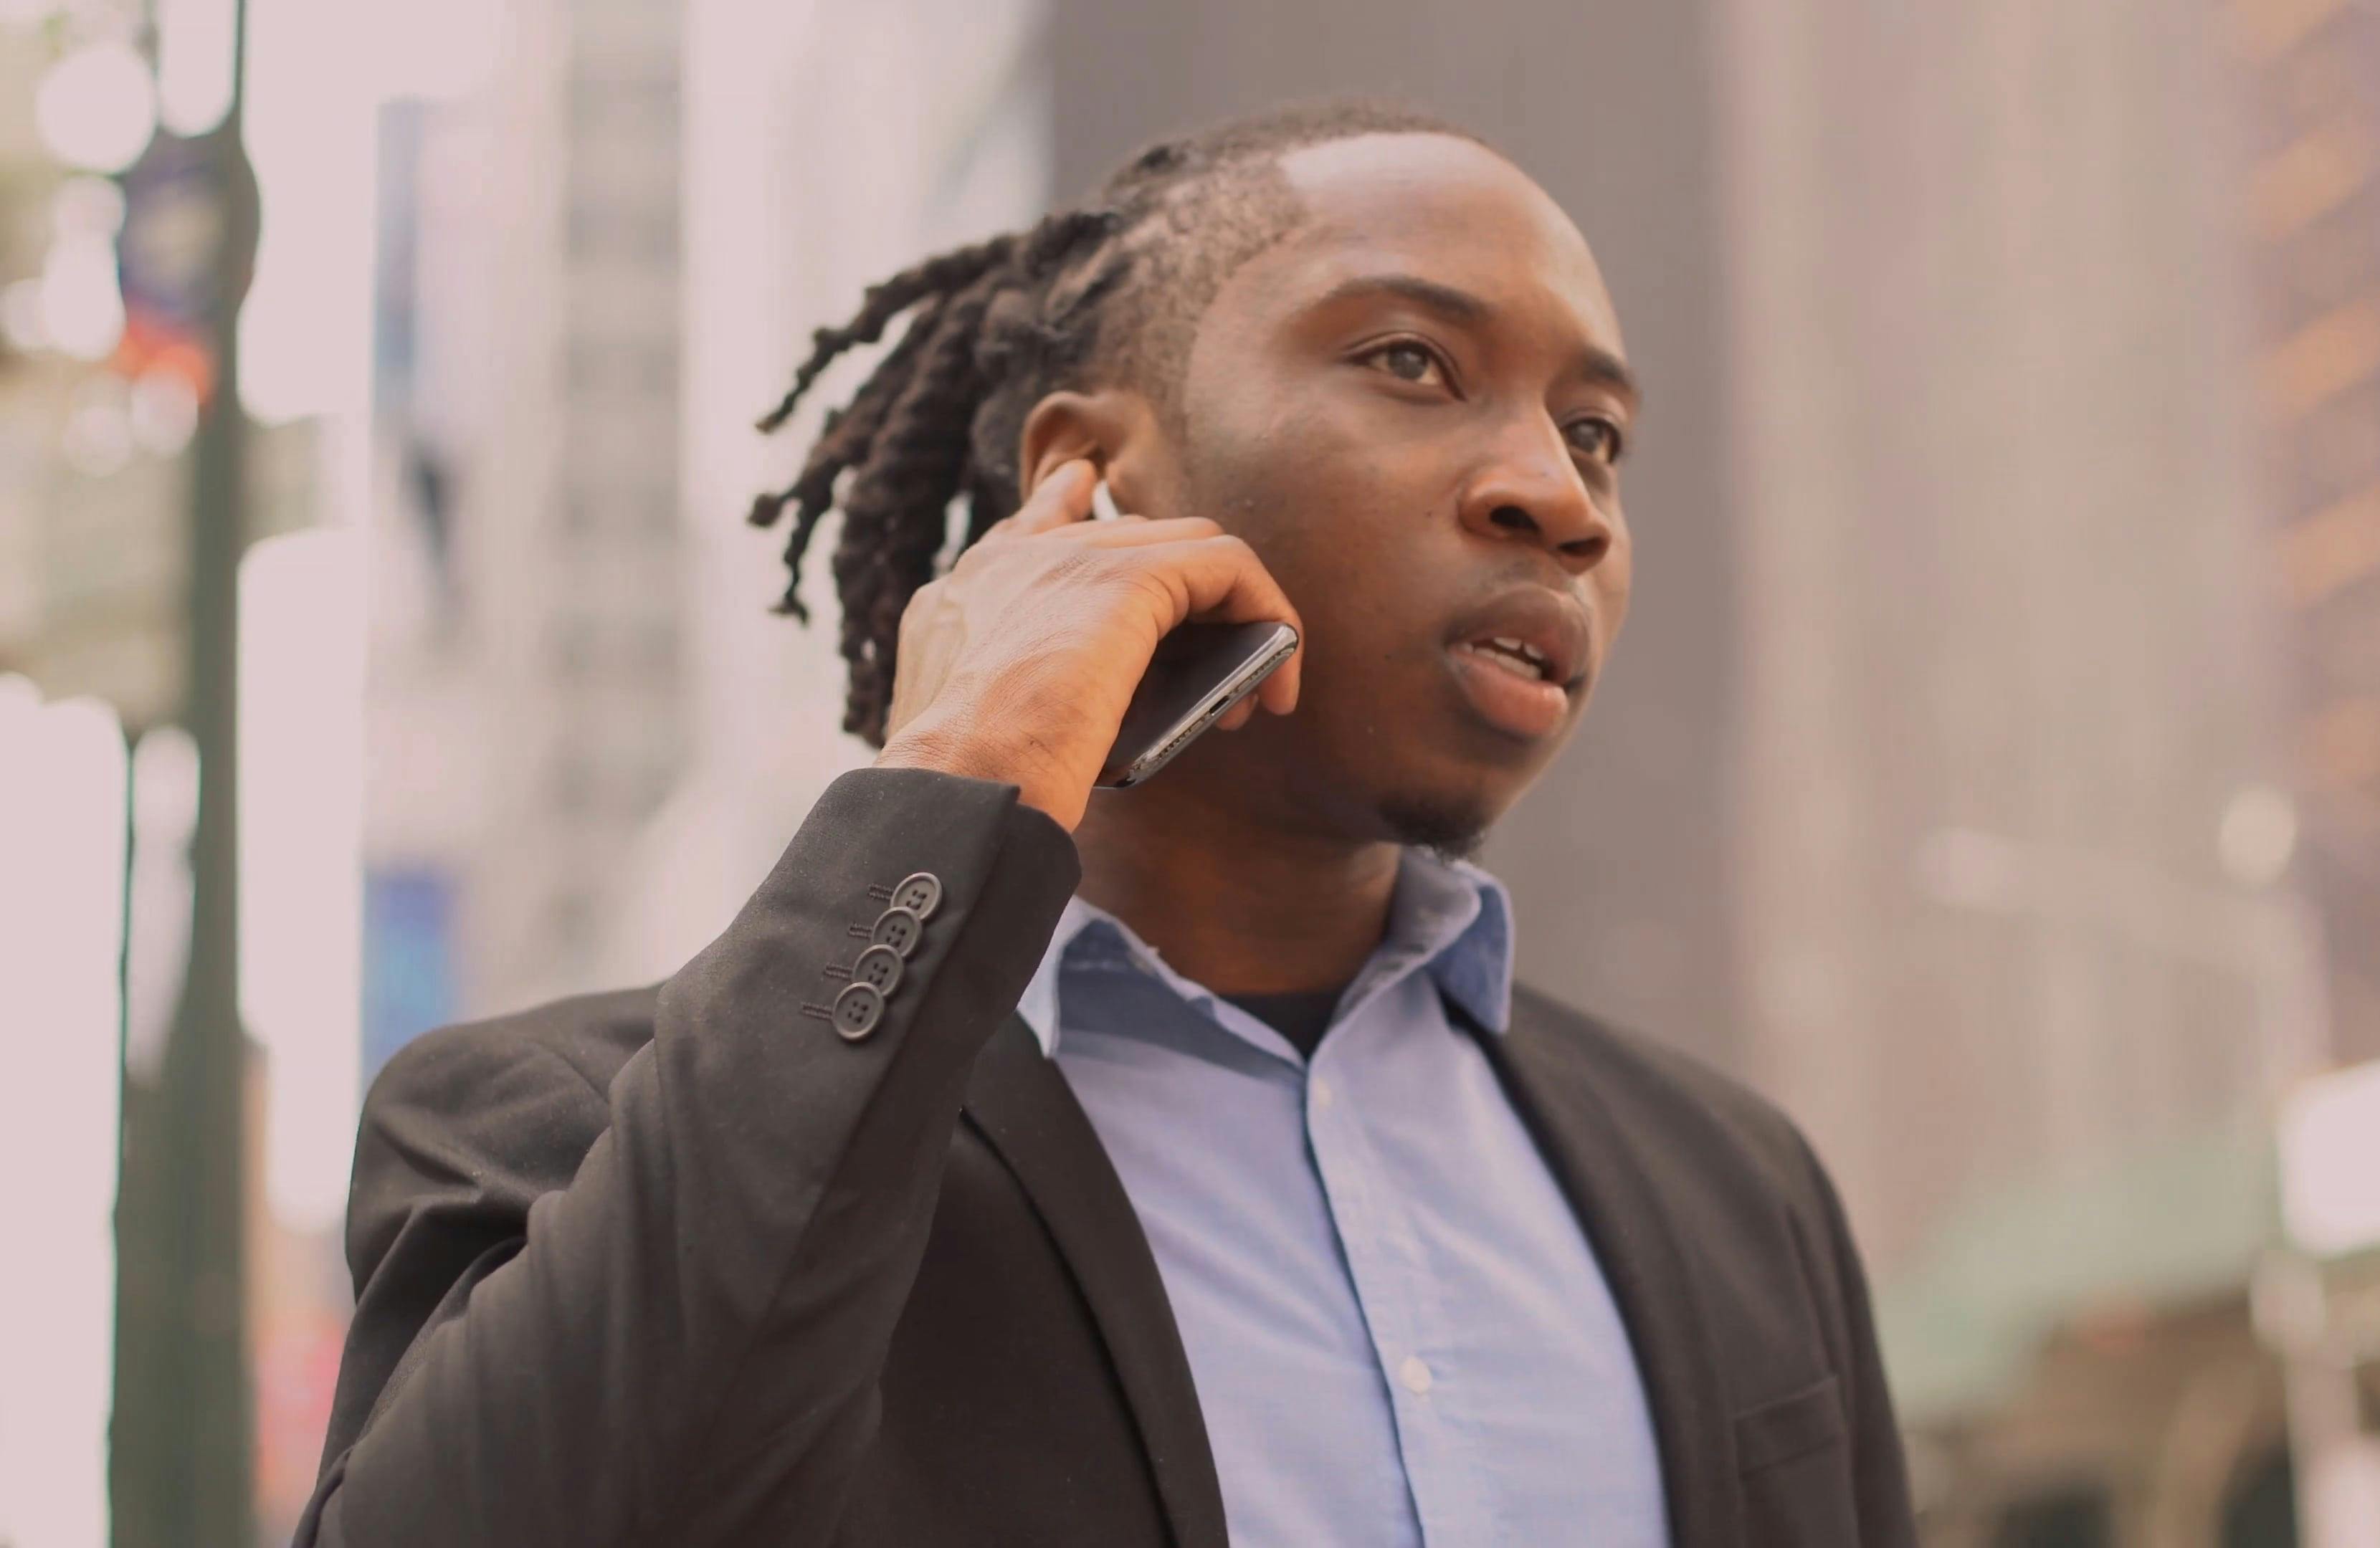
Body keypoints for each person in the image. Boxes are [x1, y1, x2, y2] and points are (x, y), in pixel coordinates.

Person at [298, 99, 1916, 1548]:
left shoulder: (1738, 1185)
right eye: (1413, 362)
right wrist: (953, 783)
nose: (1560, 499)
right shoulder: (555, 1131)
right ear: (1092, 479)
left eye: (1596, 435)